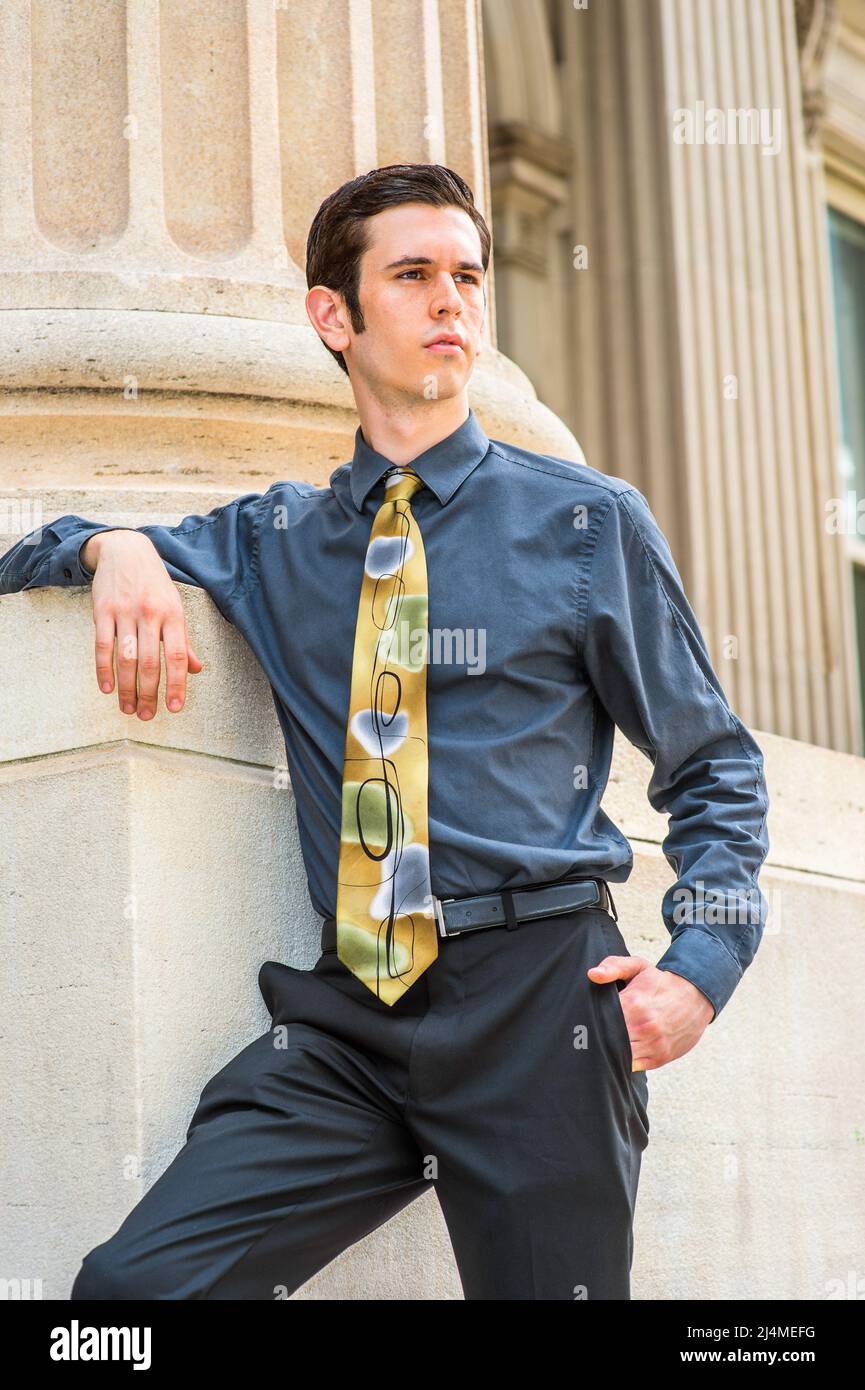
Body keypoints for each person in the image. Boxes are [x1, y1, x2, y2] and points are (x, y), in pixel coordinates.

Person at [0, 162, 769, 1300]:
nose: (451, 300)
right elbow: (24, 553)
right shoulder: (278, 538)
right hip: (353, 1016)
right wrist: (117, 546)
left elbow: (716, 771)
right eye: (411, 275)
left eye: (466, 275)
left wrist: (700, 968)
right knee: (128, 1299)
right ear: (333, 315)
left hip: (542, 1004)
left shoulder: (584, 522)